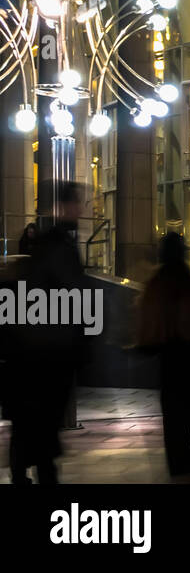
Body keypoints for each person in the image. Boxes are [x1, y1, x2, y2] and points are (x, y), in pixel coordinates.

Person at [5, 182, 90, 484]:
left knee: (32, 424)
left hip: (36, 352)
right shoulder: (59, 247)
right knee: (43, 427)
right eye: (78, 203)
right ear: (66, 206)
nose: (81, 210)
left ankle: (24, 472)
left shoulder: (47, 247)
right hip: (50, 353)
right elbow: (74, 297)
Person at [137, 232, 190, 482]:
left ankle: (181, 472)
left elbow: (147, 338)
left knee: (176, 434)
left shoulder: (156, 287)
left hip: (171, 376)